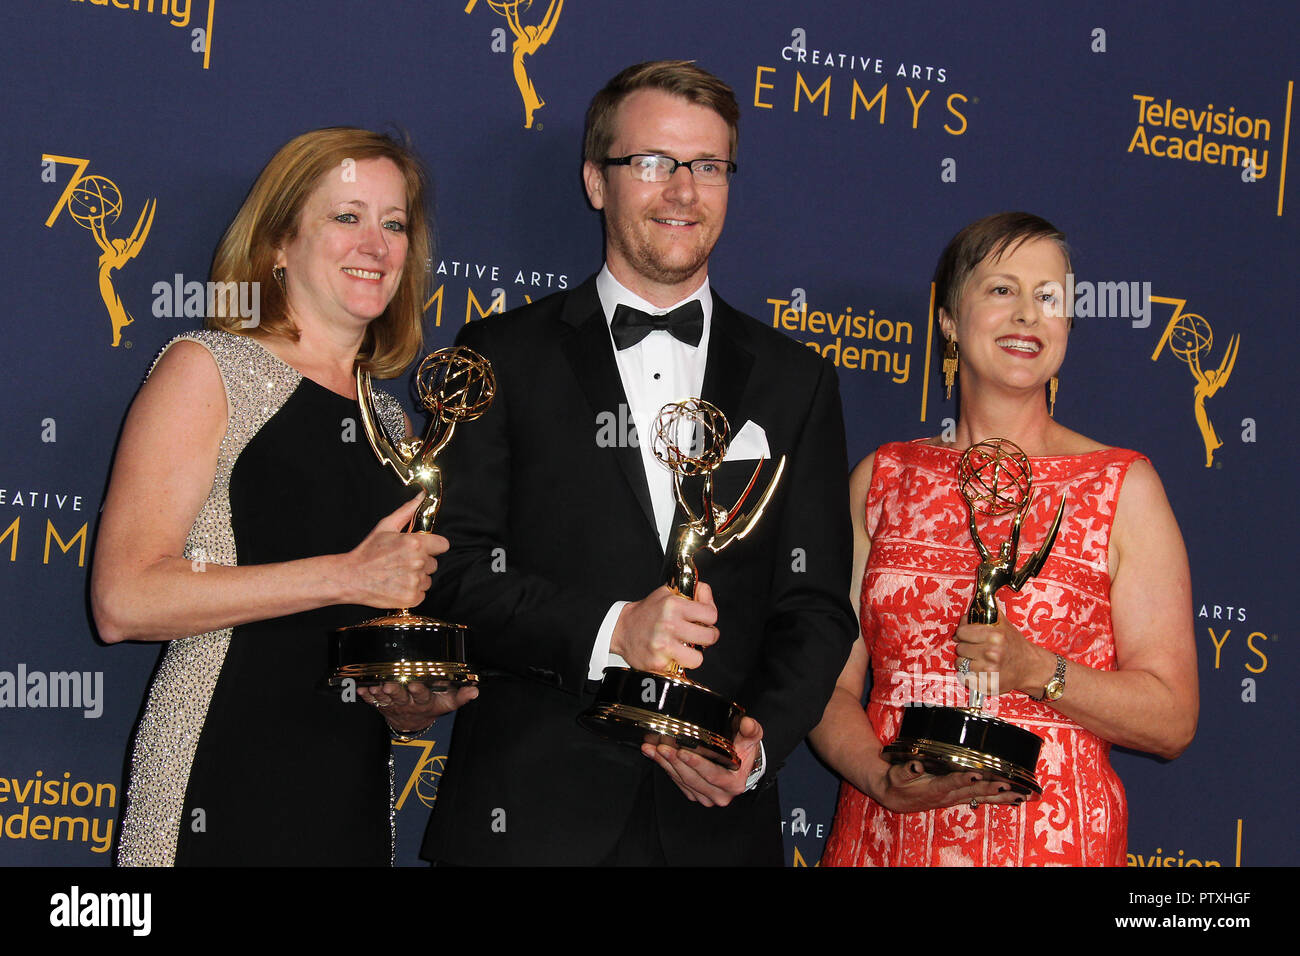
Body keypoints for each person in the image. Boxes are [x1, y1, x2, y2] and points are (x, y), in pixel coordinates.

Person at [420, 60, 858, 866]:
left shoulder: (797, 380)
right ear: (596, 180)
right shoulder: (502, 356)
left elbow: (817, 606)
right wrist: (613, 630)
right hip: (528, 819)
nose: (683, 191)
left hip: (716, 831)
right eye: (652, 163)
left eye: (708, 166)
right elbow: (453, 576)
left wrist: (751, 751)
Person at [92, 128, 476, 866]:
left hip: (348, 792)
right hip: (220, 773)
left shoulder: (394, 422)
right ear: (278, 244)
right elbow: (123, 600)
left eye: (394, 223)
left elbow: (358, 639)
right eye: (346, 216)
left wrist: (408, 704)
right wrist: (346, 574)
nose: (376, 242)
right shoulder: (209, 368)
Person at [810, 212, 1198, 866]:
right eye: (1001, 290)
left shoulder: (1122, 486)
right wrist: (880, 776)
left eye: (1048, 298)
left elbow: (1171, 719)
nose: (1027, 314)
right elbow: (826, 685)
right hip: (883, 842)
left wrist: (1037, 671)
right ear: (948, 319)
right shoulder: (882, 480)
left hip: (1055, 846)